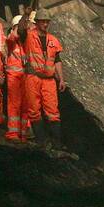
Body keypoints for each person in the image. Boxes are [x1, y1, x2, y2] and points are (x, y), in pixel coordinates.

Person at [24, 10, 65, 145]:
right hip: (33, 77)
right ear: (37, 22)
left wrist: (61, 79)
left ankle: (57, 143)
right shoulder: (29, 36)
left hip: (49, 80)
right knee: (34, 110)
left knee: (53, 111)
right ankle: (41, 140)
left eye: (47, 22)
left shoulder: (53, 40)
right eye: (43, 21)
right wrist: (25, 16)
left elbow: (57, 60)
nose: (46, 24)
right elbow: (20, 31)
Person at [2, 14, 29, 142]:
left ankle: (23, 133)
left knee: (25, 105)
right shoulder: (11, 40)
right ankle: (13, 133)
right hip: (13, 76)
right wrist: (19, 26)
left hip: (24, 76)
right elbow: (13, 37)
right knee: (14, 104)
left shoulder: (24, 44)